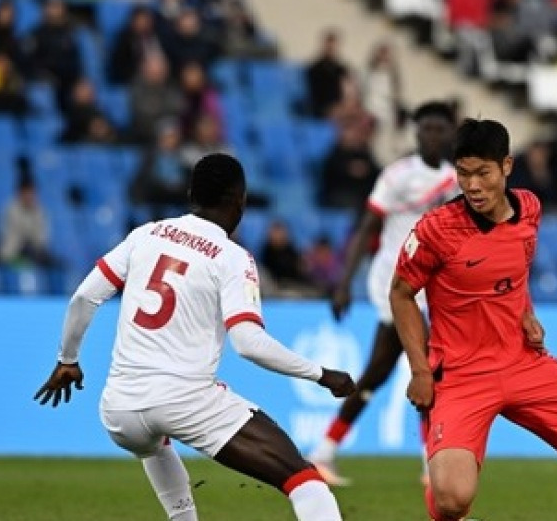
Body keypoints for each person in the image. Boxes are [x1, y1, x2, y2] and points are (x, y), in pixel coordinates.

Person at [34, 153, 356, 521]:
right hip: (184, 400)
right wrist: (320, 374)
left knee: (154, 443)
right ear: (240, 200)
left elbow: (84, 297)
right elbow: (248, 343)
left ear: (191, 193)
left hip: (119, 410)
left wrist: (67, 359)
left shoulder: (146, 234)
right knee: (305, 480)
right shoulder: (232, 257)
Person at [391, 119, 557, 521]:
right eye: (464, 174)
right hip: (462, 373)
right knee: (452, 498)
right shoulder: (436, 229)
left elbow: (513, 271)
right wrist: (420, 370)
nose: (473, 186)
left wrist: (526, 313)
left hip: (523, 361)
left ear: (506, 166)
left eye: (483, 173)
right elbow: (400, 294)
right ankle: (444, 490)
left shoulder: (530, 209)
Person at [307, 101, 458, 486]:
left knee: (380, 371)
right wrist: (344, 283)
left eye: (442, 129)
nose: (434, 136)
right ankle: (430, 464)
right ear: (417, 132)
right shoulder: (398, 175)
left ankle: (324, 451)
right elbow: (366, 227)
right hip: (393, 280)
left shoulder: (454, 179)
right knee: (424, 364)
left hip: (427, 283)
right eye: (428, 129)